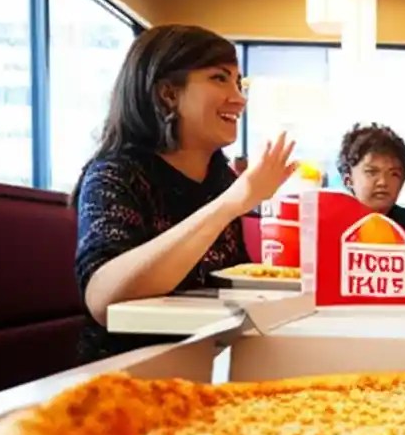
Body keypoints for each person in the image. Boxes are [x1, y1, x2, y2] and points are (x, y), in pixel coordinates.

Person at [72, 24, 297, 362]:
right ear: (168, 94)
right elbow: (104, 299)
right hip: (127, 373)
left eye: (239, 82)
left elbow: (233, 285)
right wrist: (232, 203)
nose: (239, 98)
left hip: (211, 361)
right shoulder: (116, 173)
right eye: (220, 78)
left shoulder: (218, 177)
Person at [338, 123, 405, 239]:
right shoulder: (335, 224)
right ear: (348, 180)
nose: (383, 182)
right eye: (372, 172)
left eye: (394, 174)